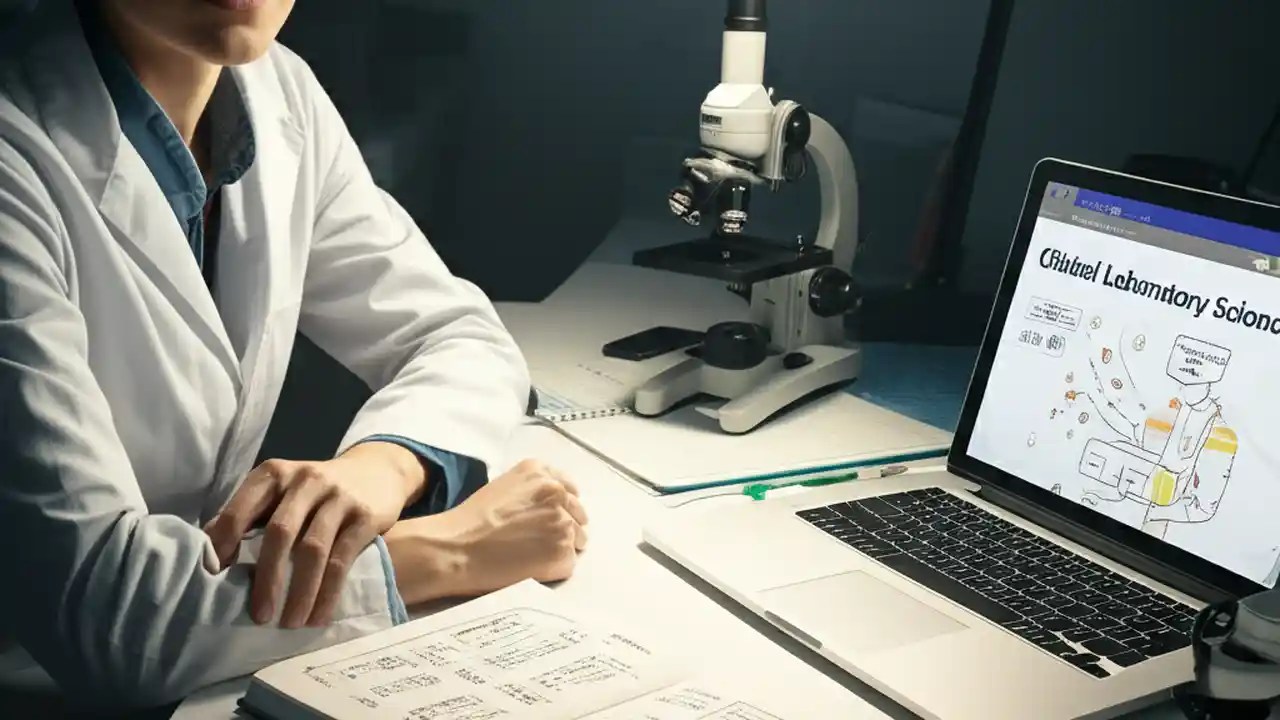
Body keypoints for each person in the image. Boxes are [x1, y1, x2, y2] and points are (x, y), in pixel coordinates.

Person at [0, 0, 588, 711]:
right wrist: (444, 552)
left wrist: (384, 465)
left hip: (212, 672)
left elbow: (458, 334)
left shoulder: (278, 94)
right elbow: (108, 618)